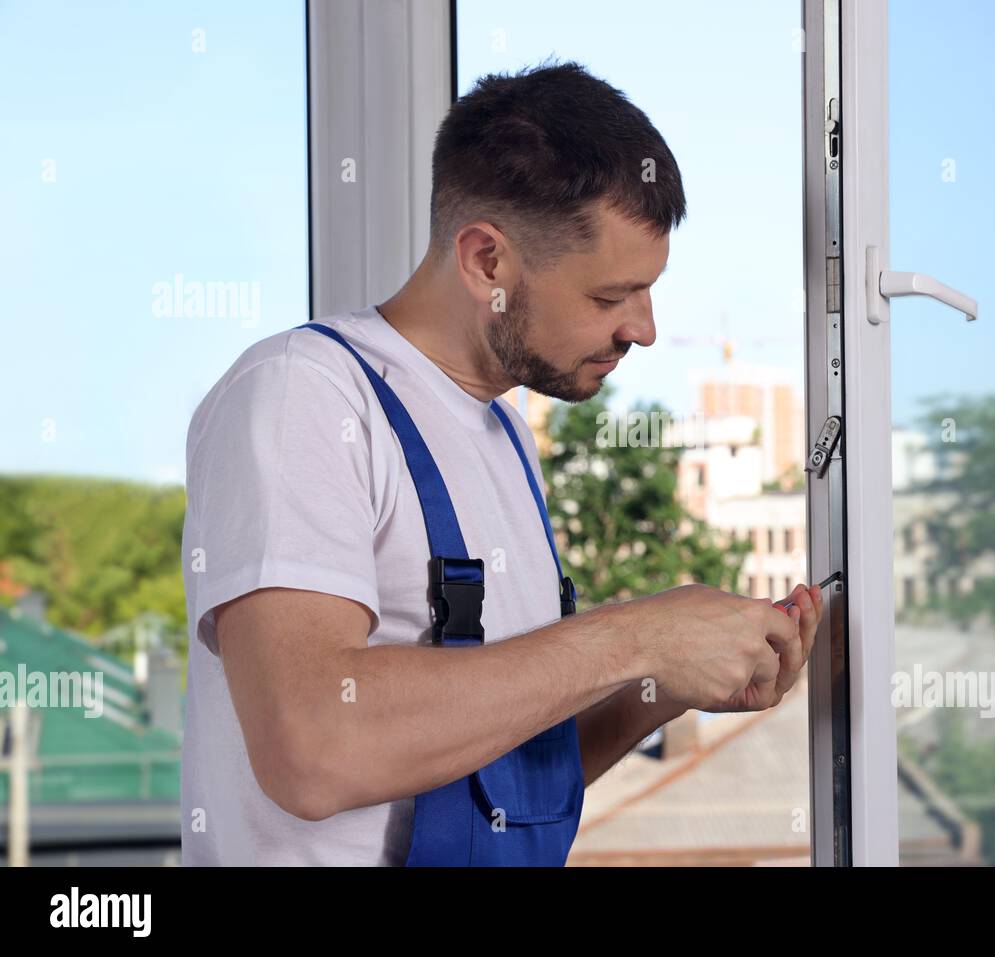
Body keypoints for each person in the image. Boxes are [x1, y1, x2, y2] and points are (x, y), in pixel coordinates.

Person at [180, 60, 824, 866]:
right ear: (487, 261)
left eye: (649, 290)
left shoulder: (507, 438)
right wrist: (638, 637)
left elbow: (505, 779)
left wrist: (659, 689)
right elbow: (309, 744)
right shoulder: (303, 398)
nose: (645, 329)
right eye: (609, 296)